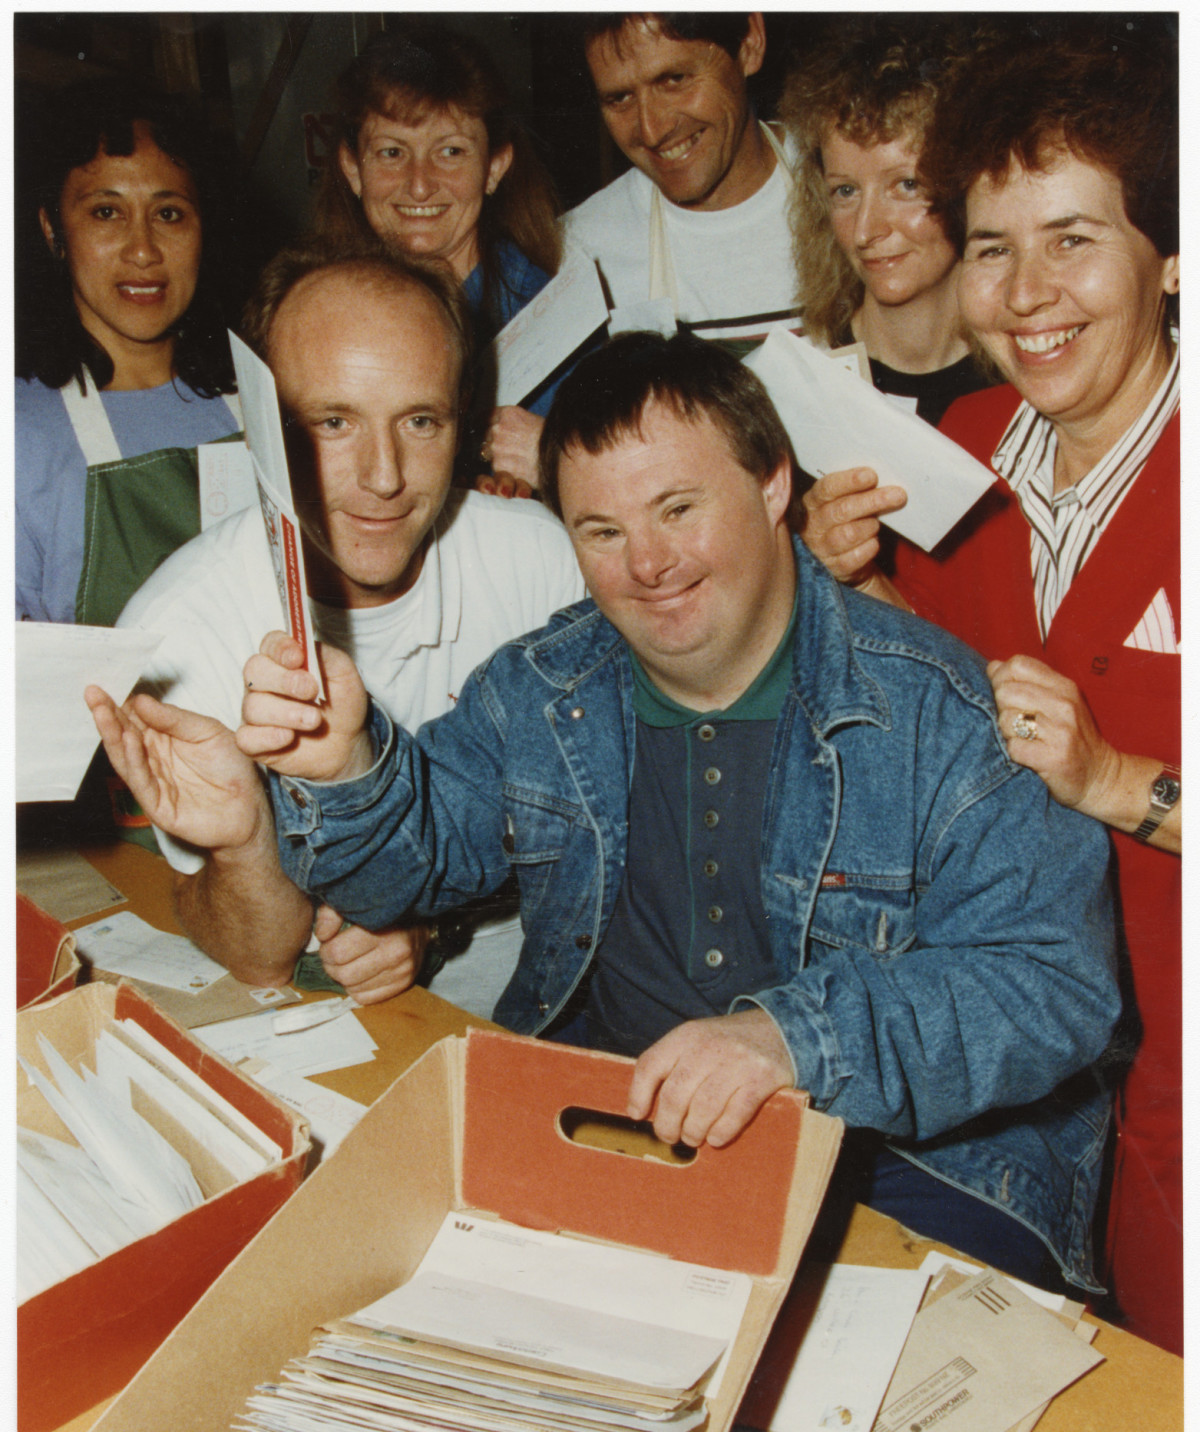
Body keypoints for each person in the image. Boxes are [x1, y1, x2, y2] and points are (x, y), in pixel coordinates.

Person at [107, 331, 1125, 1295]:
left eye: (678, 508)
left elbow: (1054, 989)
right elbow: (404, 871)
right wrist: (346, 766)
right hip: (621, 1119)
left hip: (914, 1165)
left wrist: (790, 1044)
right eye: (602, 529)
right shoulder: (544, 686)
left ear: (774, 483)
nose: (647, 563)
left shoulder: (939, 708)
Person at [802, 24, 1180, 1350]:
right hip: (1069, 1094)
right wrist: (851, 597)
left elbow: (1078, 760)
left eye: (1073, 238)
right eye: (991, 246)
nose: (1028, 292)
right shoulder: (955, 459)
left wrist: (1117, 784)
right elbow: (954, 717)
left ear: (1171, 257)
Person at [95, 239, 583, 1016]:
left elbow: (608, 828)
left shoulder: (544, 561)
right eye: (332, 423)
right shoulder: (176, 631)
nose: (383, 476)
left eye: (420, 420)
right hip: (308, 1014)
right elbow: (256, 956)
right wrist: (249, 841)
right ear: (257, 428)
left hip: (541, 986)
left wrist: (431, 916)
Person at [485, 12, 802, 490]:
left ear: (750, 43)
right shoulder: (575, 253)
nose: (652, 129)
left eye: (674, 79)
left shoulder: (853, 188)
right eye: (619, 98)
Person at [16, 79, 242, 625]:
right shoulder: (20, 435)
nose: (143, 250)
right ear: (53, 232)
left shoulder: (257, 395)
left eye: (169, 214)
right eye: (105, 213)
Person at [316, 22, 563, 490]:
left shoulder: (553, 317)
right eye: (391, 152)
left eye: (450, 151)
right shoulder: (319, 316)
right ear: (352, 168)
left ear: (494, 167)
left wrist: (551, 474)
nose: (420, 184)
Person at [780, 17, 992, 427]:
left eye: (906, 185)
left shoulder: (1030, 372)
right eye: (845, 191)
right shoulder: (802, 376)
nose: (864, 230)